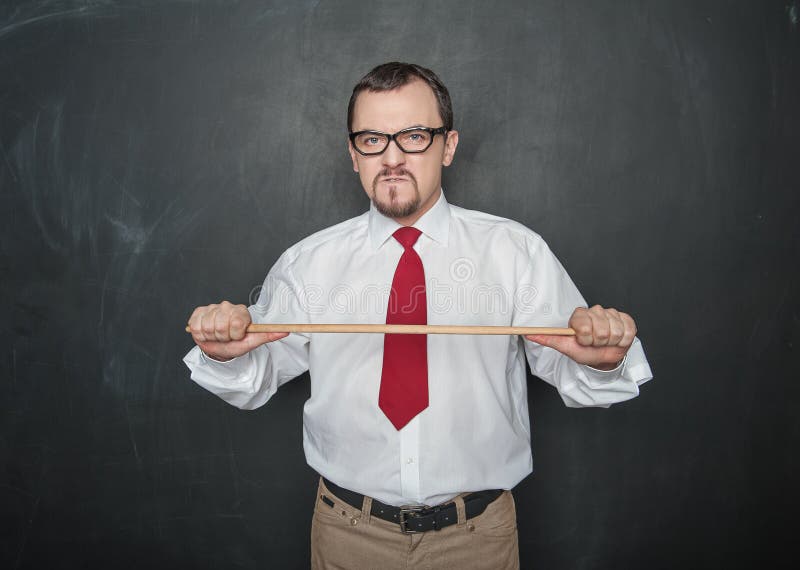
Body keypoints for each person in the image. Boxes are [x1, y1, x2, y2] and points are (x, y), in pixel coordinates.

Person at [184, 62, 652, 569]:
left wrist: (603, 359)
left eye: (412, 136)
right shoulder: (308, 263)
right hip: (347, 536)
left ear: (447, 146)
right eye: (371, 140)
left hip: (478, 540)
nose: (391, 158)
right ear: (352, 154)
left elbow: (579, 374)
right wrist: (223, 355)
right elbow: (256, 378)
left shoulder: (515, 252)